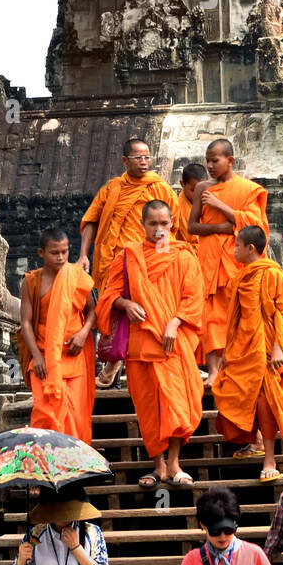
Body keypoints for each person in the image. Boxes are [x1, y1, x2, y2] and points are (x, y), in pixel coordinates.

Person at [95, 200, 203, 487]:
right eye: (152, 224)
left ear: (172, 224)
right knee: (148, 407)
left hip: (173, 343)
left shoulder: (184, 256)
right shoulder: (128, 256)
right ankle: (159, 466)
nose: (158, 230)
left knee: (176, 405)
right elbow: (107, 296)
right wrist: (126, 303)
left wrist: (175, 322)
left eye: (164, 224)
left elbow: (193, 299)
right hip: (141, 345)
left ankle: (175, 463)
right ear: (142, 225)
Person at [78, 138, 178, 386]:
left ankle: (118, 362)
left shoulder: (160, 188)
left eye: (147, 157)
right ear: (125, 160)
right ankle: (114, 358)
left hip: (145, 261)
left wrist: (162, 258)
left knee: (142, 310)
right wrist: (83, 255)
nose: (144, 162)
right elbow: (92, 219)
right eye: (138, 158)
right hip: (113, 260)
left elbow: (170, 225)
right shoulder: (112, 188)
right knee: (113, 309)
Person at [213, 225, 283, 481]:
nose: (234, 250)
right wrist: (228, 350)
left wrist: (276, 349)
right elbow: (235, 319)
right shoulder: (240, 277)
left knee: (264, 398)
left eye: (237, 245)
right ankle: (253, 440)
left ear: (251, 248)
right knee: (230, 390)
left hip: (267, 348)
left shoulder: (272, 274)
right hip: (243, 347)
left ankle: (270, 458)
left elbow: (282, 314)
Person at [188, 138, 269, 386]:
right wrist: (220, 227)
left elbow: (257, 227)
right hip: (210, 259)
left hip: (237, 258)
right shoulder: (202, 188)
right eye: (208, 161)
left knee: (241, 313)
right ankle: (213, 370)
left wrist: (220, 205)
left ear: (230, 160)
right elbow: (192, 226)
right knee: (210, 315)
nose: (210, 165)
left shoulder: (247, 189)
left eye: (215, 160)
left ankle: (238, 366)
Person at [17, 226, 96, 442]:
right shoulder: (32, 281)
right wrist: (38, 356)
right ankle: (48, 467)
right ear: (41, 253)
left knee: (76, 417)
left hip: (73, 356)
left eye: (65, 251)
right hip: (43, 358)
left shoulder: (75, 276)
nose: (61, 257)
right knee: (46, 416)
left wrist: (83, 332)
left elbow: (92, 311)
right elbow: (25, 322)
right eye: (55, 252)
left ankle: (76, 468)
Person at [175, 163, 207, 254]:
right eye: (193, 190)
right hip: (188, 255)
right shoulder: (176, 208)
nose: (198, 194)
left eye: (202, 189)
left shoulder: (210, 200)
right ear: (182, 184)